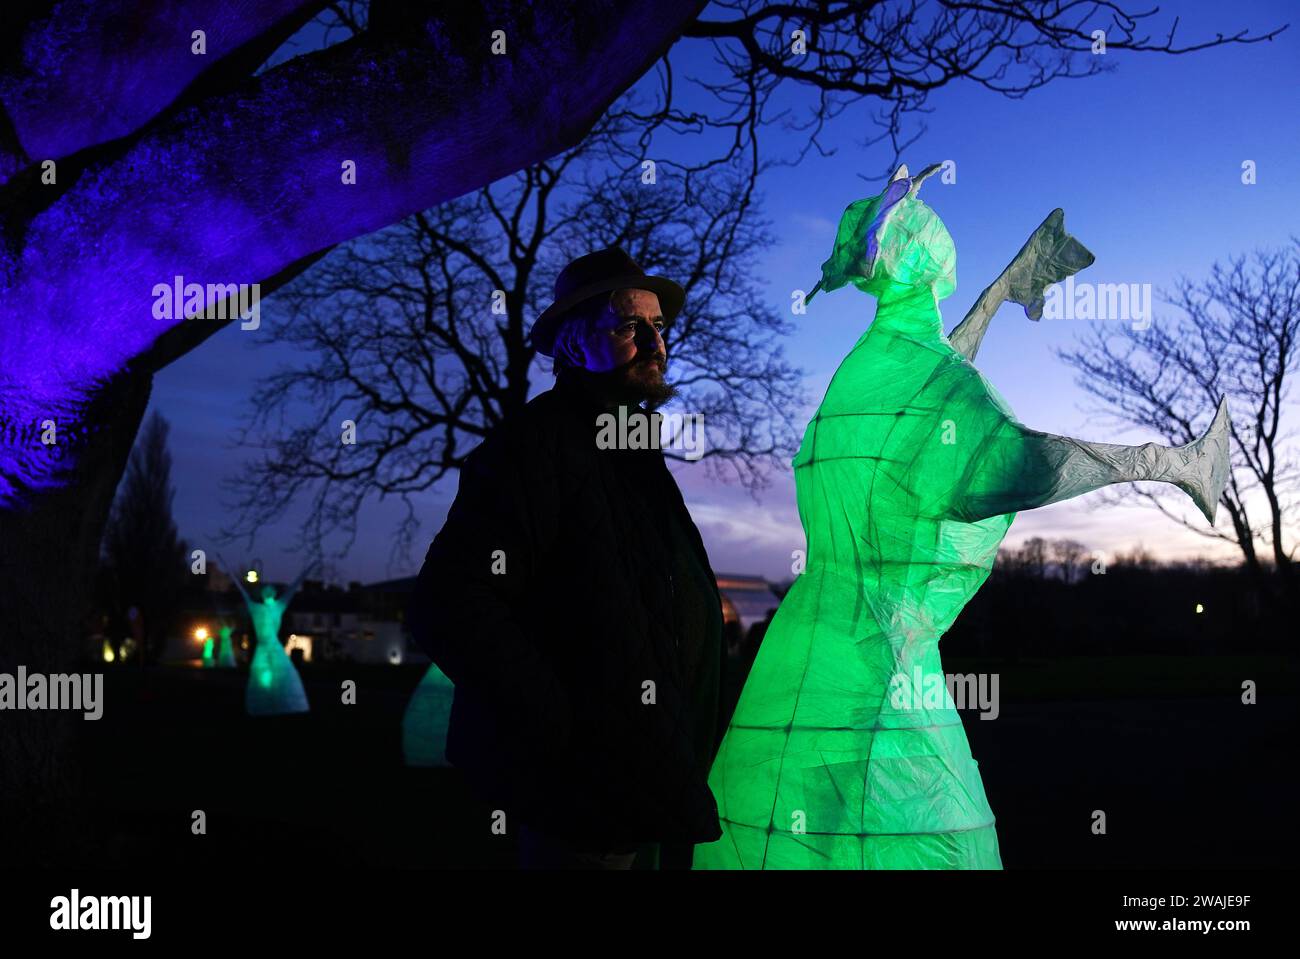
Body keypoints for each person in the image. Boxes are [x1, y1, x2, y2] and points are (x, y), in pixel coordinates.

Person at [409, 246, 726, 869]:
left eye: (659, 327)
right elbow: (448, 602)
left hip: (646, 783)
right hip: (584, 802)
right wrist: (572, 730)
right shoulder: (536, 446)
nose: (656, 344)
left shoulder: (629, 448)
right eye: (631, 326)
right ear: (575, 345)